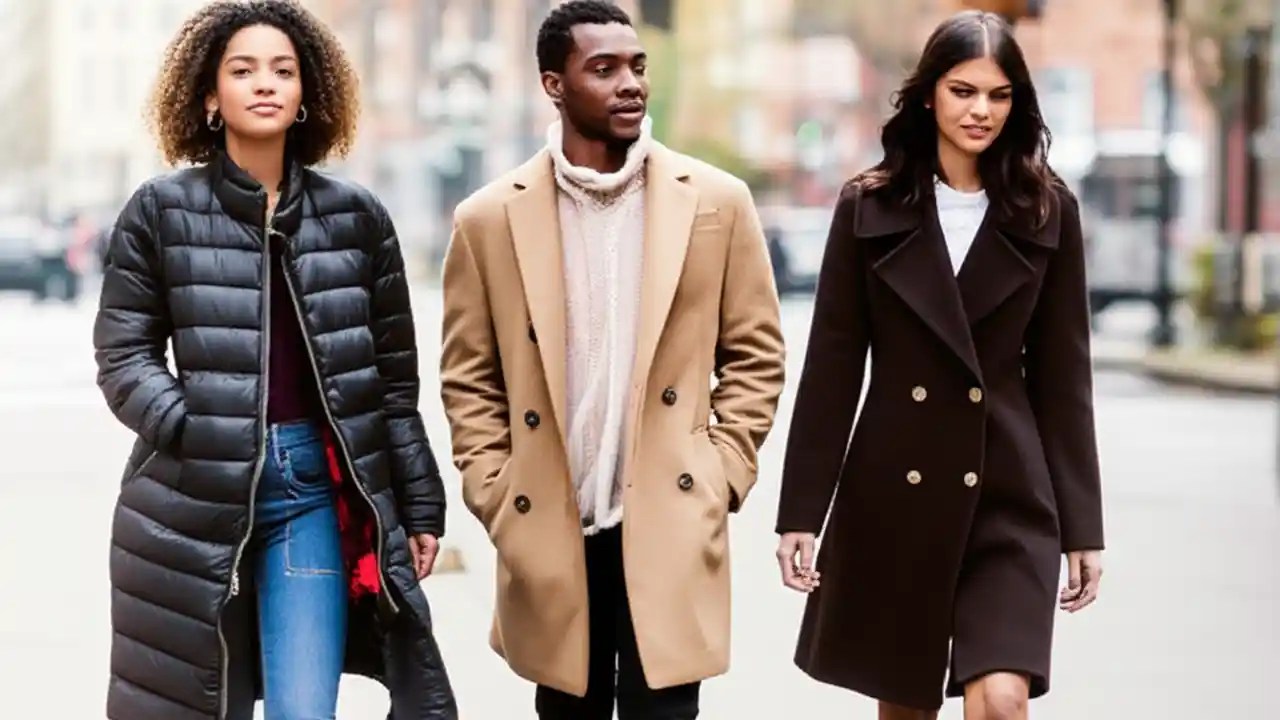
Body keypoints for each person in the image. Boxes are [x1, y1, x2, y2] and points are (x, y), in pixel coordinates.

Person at [93, 2, 456, 718]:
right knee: (202, 704)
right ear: (209, 95)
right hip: (192, 496)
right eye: (243, 70)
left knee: (304, 709)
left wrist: (420, 505)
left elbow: (391, 385)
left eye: (283, 71)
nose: (265, 84)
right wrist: (193, 425)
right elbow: (123, 354)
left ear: (306, 92)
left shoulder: (357, 218)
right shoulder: (159, 210)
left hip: (309, 494)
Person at [438, 1, 786, 718]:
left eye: (636, 66)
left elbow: (756, 354)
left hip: (669, 517)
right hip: (551, 524)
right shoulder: (488, 218)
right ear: (554, 85)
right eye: (603, 69)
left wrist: (720, 472)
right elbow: (468, 377)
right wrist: (497, 490)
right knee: (568, 709)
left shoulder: (716, 202)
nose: (630, 83)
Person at [774, 11, 1105, 720]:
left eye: (999, 95)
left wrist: (1083, 526)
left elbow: (1064, 379)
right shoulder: (869, 206)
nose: (981, 110)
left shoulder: (1047, 209)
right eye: (963, 91)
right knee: (906, 708)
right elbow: (833, 369)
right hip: (897, 486)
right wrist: (801, 513)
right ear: (928, 95)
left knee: (1003, 700)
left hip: (1008, 492)